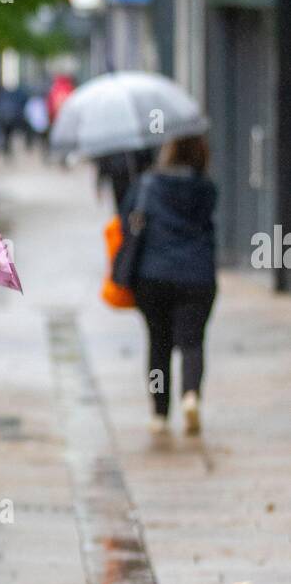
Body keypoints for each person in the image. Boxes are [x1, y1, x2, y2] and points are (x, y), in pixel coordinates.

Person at [120, 134, 217, 437]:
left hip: (153, 275)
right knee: (192, 342)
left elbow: (126, 221)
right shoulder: (206, 187)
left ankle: (160, 414)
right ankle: (191, 395)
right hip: (196, 275)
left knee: (158, 344)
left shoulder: (148, 183)